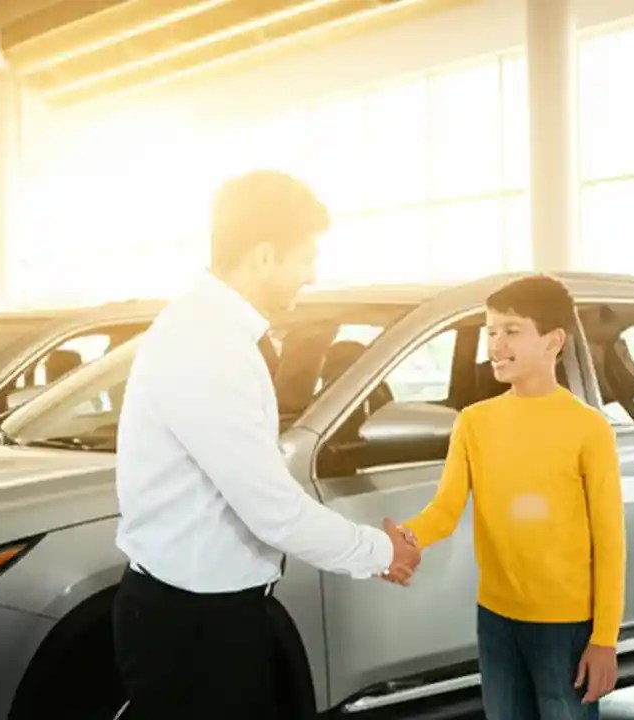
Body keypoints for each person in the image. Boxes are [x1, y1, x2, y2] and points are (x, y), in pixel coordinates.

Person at [112, 170, 421, 720]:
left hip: (198, 617)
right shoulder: (209, 344)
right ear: (263, 256)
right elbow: (272, 511)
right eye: (304, 258)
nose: (312, 273)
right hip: (196, 629)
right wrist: (382, 553)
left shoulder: (209, 330)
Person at [401, 275, 626, 719]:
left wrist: (604, 639)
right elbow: (445, 511)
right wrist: (404, 540)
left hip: (567, 625)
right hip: (497, 619)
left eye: (511, 330)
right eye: (491, 331)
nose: (496, 344)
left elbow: (610, 540)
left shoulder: (588, 429)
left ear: (553, 341)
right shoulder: (474, 423)